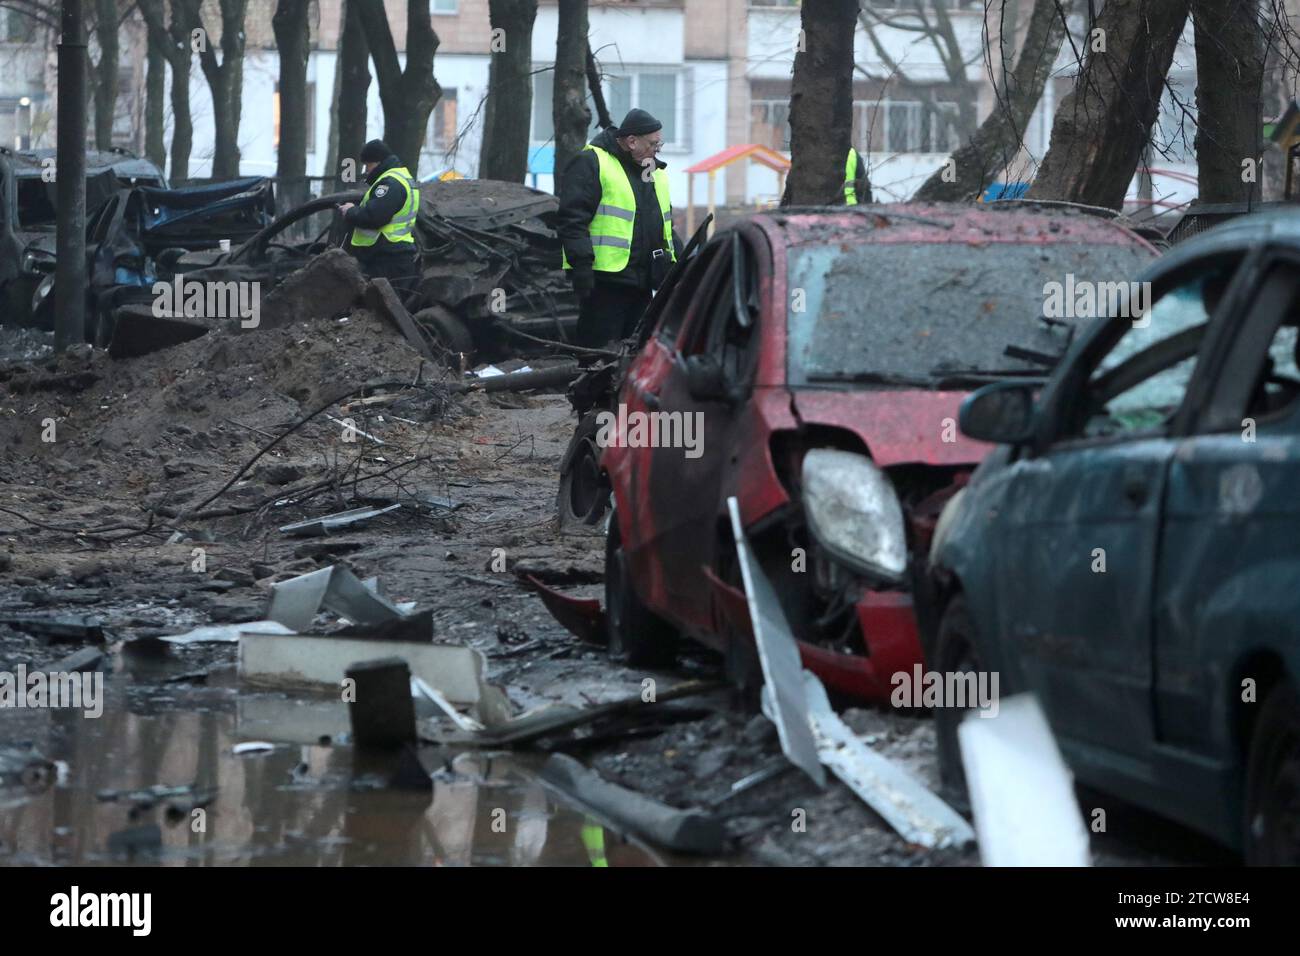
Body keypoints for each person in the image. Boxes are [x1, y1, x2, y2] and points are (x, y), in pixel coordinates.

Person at [557, 108, 676, 349]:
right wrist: (581, 266)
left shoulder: (652, 170)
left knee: (634, 354)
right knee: (598, 353)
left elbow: (664, 227)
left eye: (659, 145)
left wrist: (676, 265)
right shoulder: (592, 163)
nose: (657, 150)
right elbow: (572, 220)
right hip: (604, 282)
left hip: (644, 282)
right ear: (632, 142)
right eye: (653, 144)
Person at [338, 139, 420, 292]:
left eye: (367, 165)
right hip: (397, 256)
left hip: (387, 258)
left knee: (378, 311)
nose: (366, 170)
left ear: (377, 162)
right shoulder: (402, 177)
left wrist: (350, 211)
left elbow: (374, 216)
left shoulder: (389, 183)